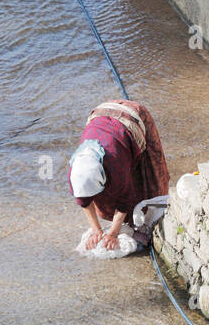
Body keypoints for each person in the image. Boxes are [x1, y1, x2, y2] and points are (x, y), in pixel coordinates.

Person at [69, 100, 170, 251]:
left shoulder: (115, 165)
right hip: (101, 114)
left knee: (152, 178)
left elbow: (124, 201)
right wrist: (97, 230)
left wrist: (113, 234)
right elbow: (83, 201)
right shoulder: (75, 171)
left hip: (132, 116)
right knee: (105, 204)